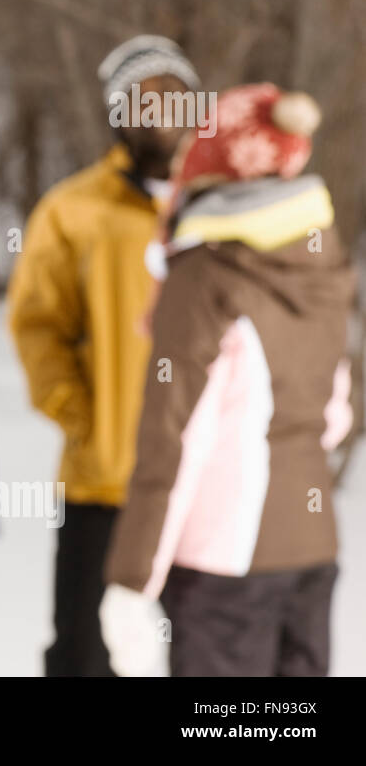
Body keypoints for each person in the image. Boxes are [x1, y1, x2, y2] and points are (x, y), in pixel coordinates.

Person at [101, 84, 355, 677]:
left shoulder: (205, 276)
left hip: (224, 568)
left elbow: (175, 439)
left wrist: (132, 579)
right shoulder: (324, 264)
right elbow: (335, 415)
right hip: (313, 554)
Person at [6, 34, 202, 676]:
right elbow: (37, 326)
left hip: (202, 483)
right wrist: (83, 421)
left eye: (174, 99)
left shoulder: (219, 203)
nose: (162, 115)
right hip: (105, 481)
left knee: (202, 659)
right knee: (85, 655)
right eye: (145, 102)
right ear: (120, 113)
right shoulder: (74, 209)